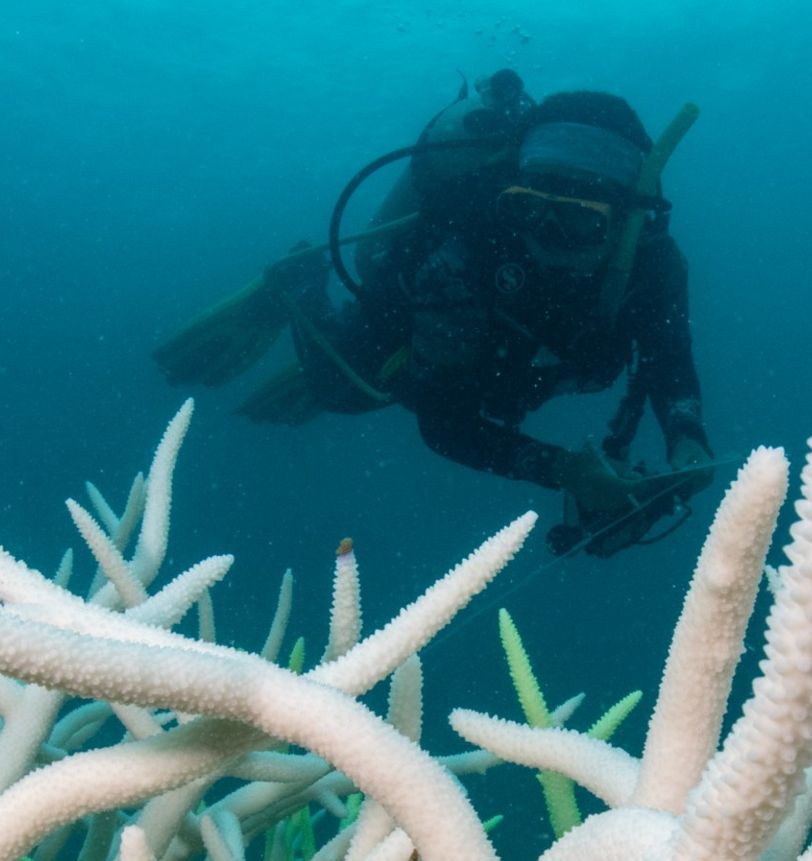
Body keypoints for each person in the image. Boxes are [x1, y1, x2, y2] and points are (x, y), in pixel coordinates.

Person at [255, 72, 715, 556]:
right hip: (418, 335)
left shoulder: (654, 267)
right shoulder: (468, 253)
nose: (546, 234)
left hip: (509, 367)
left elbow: (670, 357)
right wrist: (561, 469)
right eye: (528, 209)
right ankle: (301, 279)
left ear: (630, 221)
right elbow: (442, 421)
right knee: (339, 390)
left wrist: (687, 436)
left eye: (581, 218)